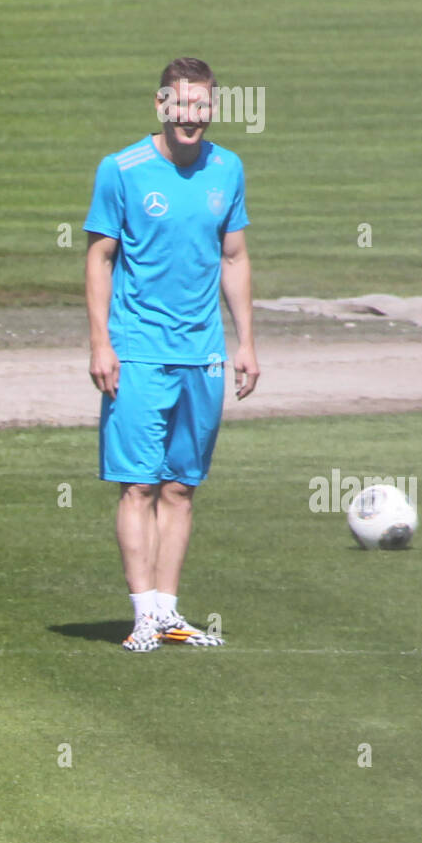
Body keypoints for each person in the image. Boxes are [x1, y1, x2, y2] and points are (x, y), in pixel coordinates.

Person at [84, 56, 260, 651]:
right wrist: (101, 342)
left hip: (203, 354)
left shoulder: (227, 169)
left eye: (202, 106)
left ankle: (167, 612)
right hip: (136, 351)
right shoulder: (122, 170)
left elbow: (233, 258)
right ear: (161, 105)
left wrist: (246, 343)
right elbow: (99, 257)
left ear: (212, 108)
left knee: (181, 486)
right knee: (138, 485)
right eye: (182, 104)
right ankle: (140, 617)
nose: (192, 116)